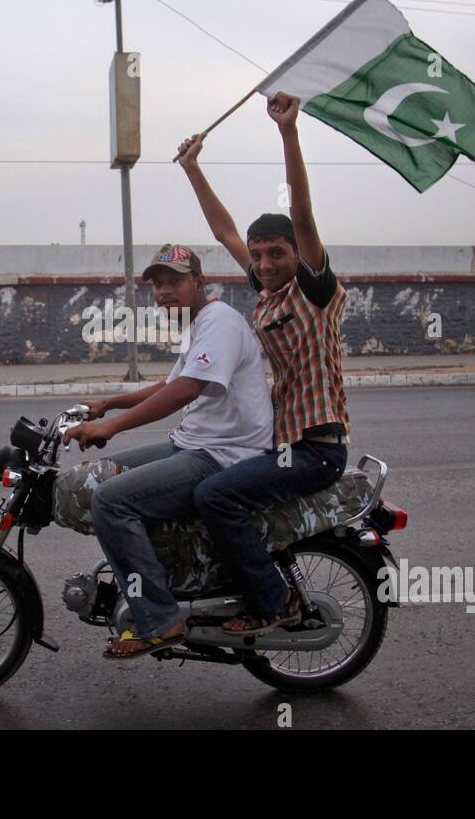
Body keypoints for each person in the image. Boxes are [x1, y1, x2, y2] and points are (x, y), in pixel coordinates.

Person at [175, 91, 351, 635]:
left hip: (316, 449)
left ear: (297, 252)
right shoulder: (268, 292)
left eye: (277, 252)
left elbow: (302, 211)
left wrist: (288, 132)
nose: (265, 263)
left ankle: (275, 604)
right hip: (282, 442)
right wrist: (192, 169)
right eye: (258, 255)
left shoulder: (314, 290)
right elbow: (225, 232)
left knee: (214, 494)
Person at [61, 244, 273, 659]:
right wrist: (108, 404)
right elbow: (167, 383)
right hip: (193, 443)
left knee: (110, 501)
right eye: (158, 285)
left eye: (174, 281)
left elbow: (186, 389)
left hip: (223, 454)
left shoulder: (220, 322)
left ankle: (160, 618)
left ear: (198, 281)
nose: (164, 292)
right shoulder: (199, 325)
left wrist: (112, 426)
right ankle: (162, 575)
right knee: (103, 472)